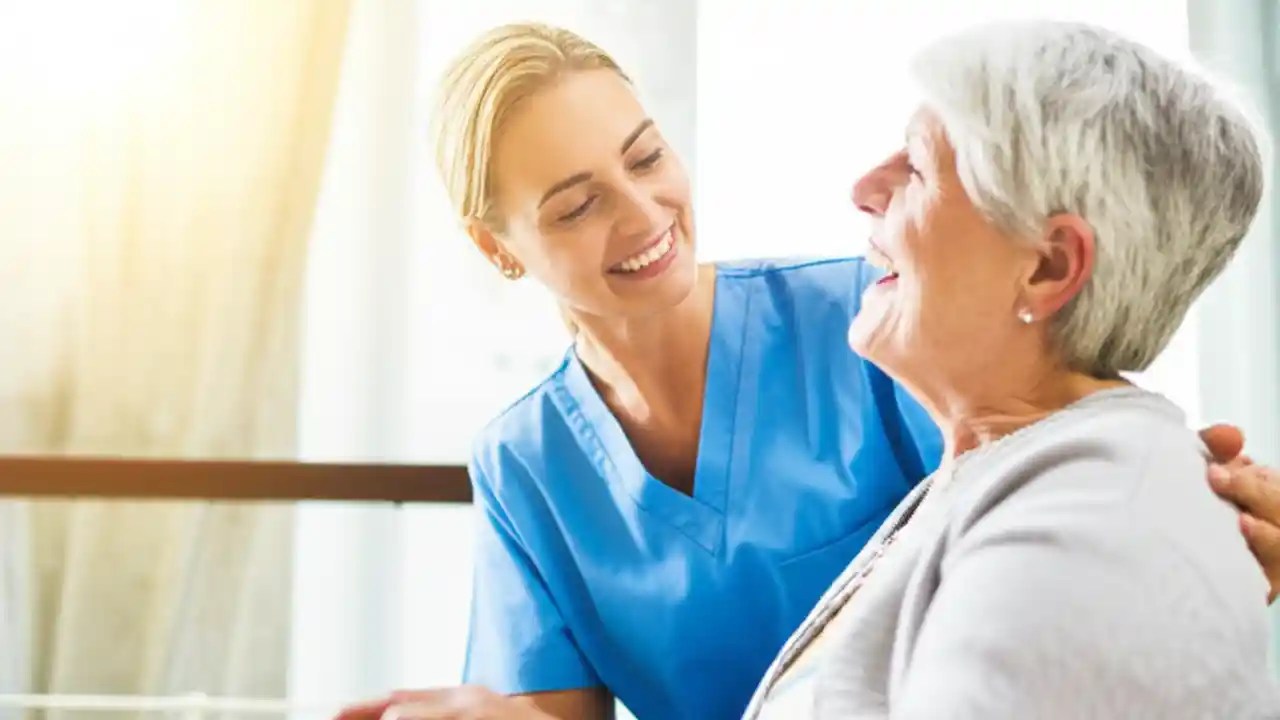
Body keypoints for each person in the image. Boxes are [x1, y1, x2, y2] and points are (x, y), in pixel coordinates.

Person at [337, 21, 1280, 720]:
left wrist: (1205, 528)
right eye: (577, 205)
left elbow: (1060, 472)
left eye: (646, 157)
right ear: (496, 246)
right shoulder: (527, 462)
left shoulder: (876, 322)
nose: (641, 214)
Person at [741, 20, 1277, 718]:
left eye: (918, 164)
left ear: (1048, 266)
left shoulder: (1099, 515)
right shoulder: (1007, 474)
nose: (865, 187)